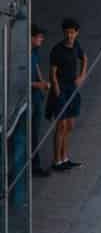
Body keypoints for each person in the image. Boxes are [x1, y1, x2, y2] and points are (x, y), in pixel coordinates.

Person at [47, 18, 87, 171]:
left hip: (72, 88)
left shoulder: (76, 45)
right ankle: (56, 161)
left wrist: (82, 75)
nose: (69, 36)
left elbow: (84, 58)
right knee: (61, 125)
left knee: (69, 125)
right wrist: (56, 89)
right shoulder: (57, 50)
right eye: (67, 33)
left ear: (77, 33)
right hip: (61, 90)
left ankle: (65, 158)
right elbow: (53, 72)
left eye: (72, 33)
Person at [30, 26, 50, 177]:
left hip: (36, 97)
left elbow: (36, 66)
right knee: (29, 134)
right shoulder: (23, 55)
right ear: (31, 38)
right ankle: (32, 166)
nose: (42, 39)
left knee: (34, 132)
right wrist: (40, 84)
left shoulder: (34, 51)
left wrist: (42, 81)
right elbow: (22, 81)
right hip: (28, 99)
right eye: (39, 36)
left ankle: (35, 164)